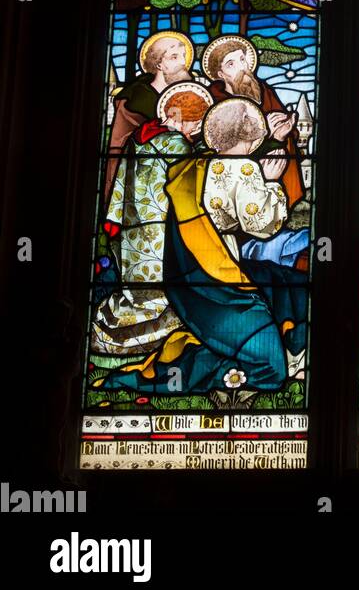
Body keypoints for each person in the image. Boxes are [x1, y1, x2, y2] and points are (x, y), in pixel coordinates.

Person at [95, 99, 306, 395]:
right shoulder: (242, 169)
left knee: (284, 281)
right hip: (221, 281)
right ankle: (195, 371)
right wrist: (271, 182)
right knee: (272, 369)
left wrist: (271, 143)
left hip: (188, 277)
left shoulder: (194, 165)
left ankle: (209, 351)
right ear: (252, 136)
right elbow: (262, 224)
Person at [92, 82, 213, 357]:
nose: (195, 130)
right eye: (196, 123)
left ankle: (109, 332)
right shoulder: (179, 144)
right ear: (188, 120)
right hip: (163, 228)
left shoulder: (138, 138)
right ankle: (143, 343)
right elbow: (186, 190)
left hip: (133, 228)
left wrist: (114, 217)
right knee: (160, 292)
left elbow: (120, 179)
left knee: (135, 288)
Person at [201, 34, 305, 208]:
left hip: (273, 167)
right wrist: (267, 133)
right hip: (231, 182)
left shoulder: (264, 91)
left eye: (242, 59)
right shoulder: (215, 100)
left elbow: (287, 134)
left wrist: (286, 129)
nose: (241, 67)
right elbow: (219, 144)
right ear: (221, 74)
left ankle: (283, 206)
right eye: (231, 64)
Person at [104, 31, 194, 204]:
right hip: (143, 186)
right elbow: (120, 145)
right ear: (159, 63)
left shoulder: (186, 98)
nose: (183, 63)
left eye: (183, 56)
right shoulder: (135, 99)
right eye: (174, 57)